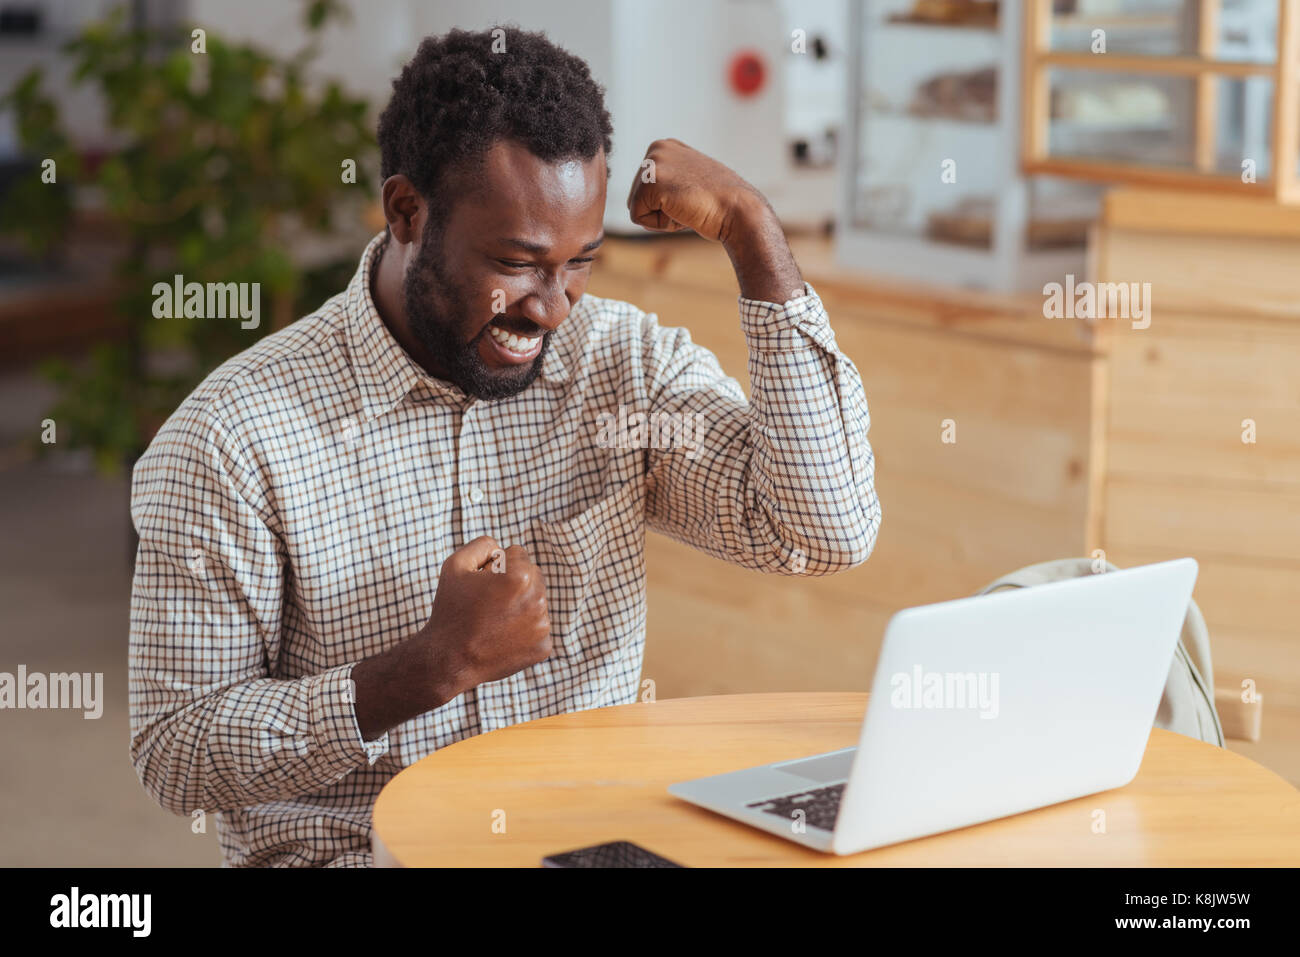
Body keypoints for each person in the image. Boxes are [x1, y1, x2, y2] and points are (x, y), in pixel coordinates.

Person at [128, 25, 881, 867]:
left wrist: (753, 234)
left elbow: (822, 530)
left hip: (586, 845)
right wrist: (425, 669)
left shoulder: (618, 364)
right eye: (518, 264)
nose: (553, 308)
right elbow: (175, 751)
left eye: (581, 262)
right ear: (407, 211)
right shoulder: (234, 436)